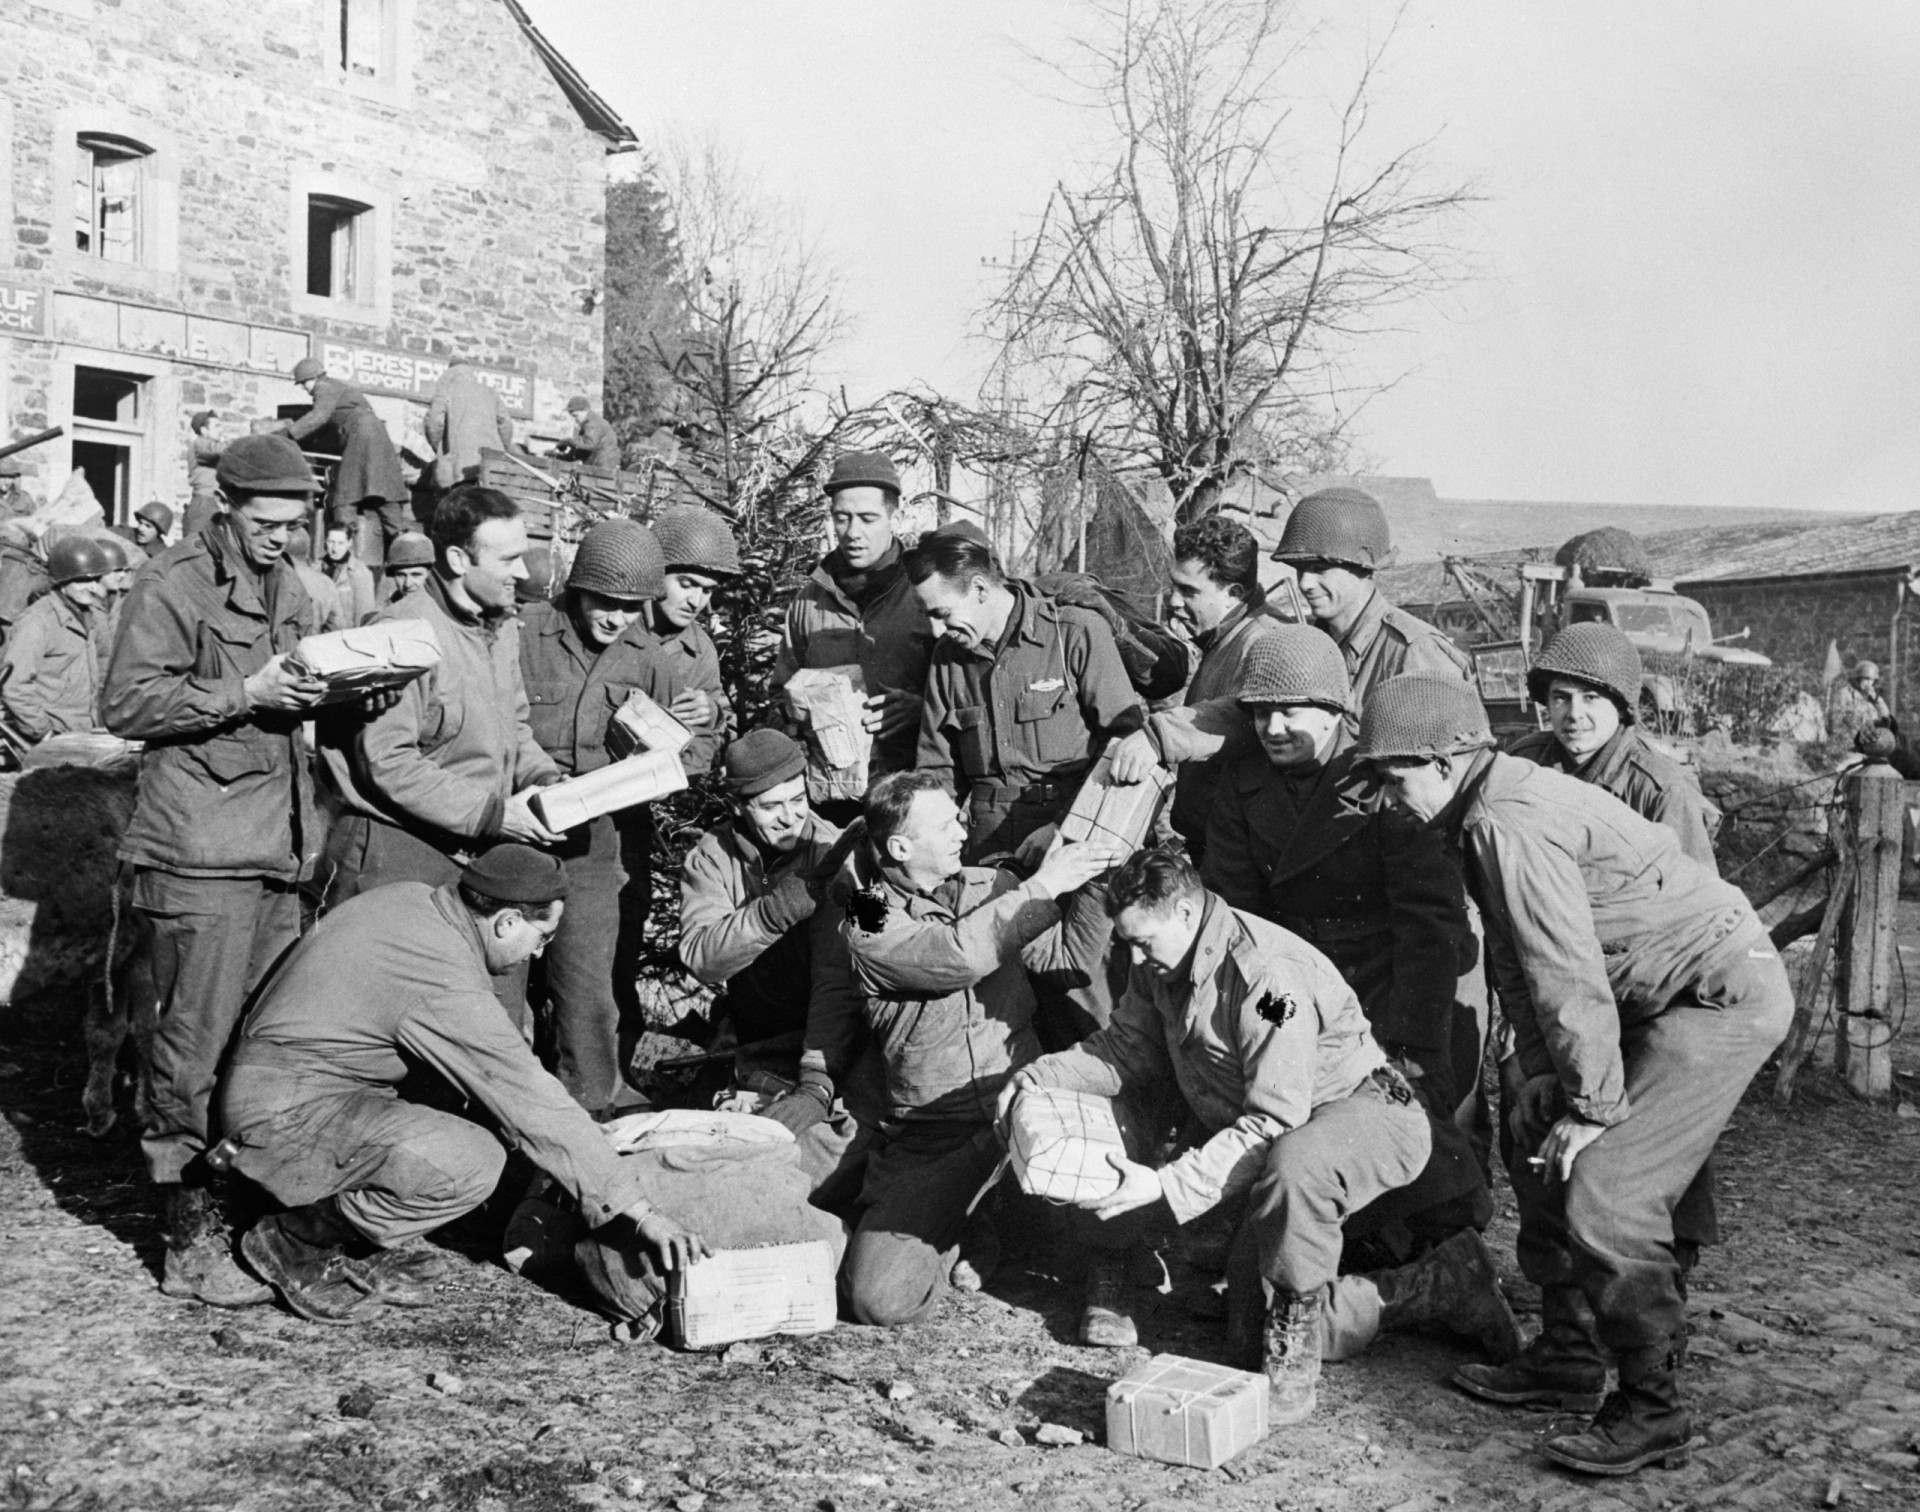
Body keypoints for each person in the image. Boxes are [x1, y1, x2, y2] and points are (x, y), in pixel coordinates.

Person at [1356, 673, 1794, 1476]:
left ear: (1447, 761)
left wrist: (1593, 1106)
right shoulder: (1478, 808)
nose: (1389, 798)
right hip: (1646, 994)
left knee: (1609, 1183)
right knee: (1535, 1135)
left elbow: (1566, 970)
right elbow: (1517, 962)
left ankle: (1653, 1408)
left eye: (1396, 777)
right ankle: (1567, 1356)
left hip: (1717, 995)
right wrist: (1538, 1074)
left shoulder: (1507, 818)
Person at [1003, 850, 1468, 1423]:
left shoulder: (1266, 979)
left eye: (1143, 942)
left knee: (1297, 1172)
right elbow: (1125, 1049)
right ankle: (1437, 1282)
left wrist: (1166, 1186)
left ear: (1185, 912)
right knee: (1248, 1335)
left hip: (1358, 1114)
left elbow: (1275, 1119)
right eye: (1127, 944)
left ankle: (1410, 1297)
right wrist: (1037, 1077)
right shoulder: (1159, 961)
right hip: (1276, 1135)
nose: (1134, 958)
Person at [218, 844, 708, 1325]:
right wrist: (639, 1211)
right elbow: (527, 1098)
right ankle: (295, 1239)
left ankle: (347, 1237)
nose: (540, 952)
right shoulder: (439, 972)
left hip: (286, 1088)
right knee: (471, 1162)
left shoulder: (415, 901)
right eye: (542, 936)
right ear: (507, 921)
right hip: (284, 1116)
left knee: (461, 1104)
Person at [100, 432, 335, 1308]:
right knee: (188, 1050)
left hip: (276, 847)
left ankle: (245, 1218)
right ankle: (187, 1241)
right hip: (197, 853)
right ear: (226, 506)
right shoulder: (172, 583)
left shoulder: (288, 584)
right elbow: (126, 704)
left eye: (293, 524)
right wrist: (247, 694)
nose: (281, 538)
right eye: (265, 522)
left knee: (258, 1046)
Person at [837, 770, 1122, 1327]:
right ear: (900, 847)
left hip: (1018, 1105)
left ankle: (1010, 1225)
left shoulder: (988, 884)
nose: (963, 833)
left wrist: (1095, 877)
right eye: (945, 826)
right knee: (879, 1299)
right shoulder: (863, 913)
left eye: (959, 819)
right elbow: (955, 957)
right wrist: (1042, 885)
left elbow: (1066, 962)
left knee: (1094, 1205)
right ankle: (973, 1221)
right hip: (935, 1132)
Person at [519, 517, 723, 1112]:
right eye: (605, 602)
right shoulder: (524, 636)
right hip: (521, 828)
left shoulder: (649, 657)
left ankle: (594, 1101)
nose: (616, 618)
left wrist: (684, 733)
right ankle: (508, 1099)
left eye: (632, 607)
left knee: (588, 982)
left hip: (598, 839)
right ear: (578, 588)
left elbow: (691, 756)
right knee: (503, 978)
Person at [319, 484, 564, 910]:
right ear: (457, 560)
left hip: (467, 846)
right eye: (508, 559)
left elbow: (515, 726)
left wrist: (544, 779)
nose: (523, 573)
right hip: (395, 852)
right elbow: (388, 761)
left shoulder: (501, 626)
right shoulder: (402, 633)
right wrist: (491, 815)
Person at [678, 730, 872, 1203]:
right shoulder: (712, 857)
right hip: (757, 1039)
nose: (791, 816)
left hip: (834, 1043)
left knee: (824, 1157)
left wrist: (817, 1083)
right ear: (740, 806)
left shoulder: (836, 854)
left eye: (798, 799)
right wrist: (774, 911)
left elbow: (843, 981)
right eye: (771, 807)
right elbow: (701, 958)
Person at [908, 530, 1145, 863]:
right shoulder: (948, 658)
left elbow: (1124, 744)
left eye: (942, 614)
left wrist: (1065, 826)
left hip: (1072, 838)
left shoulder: (1074, 632)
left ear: (979, 588)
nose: (938, 630)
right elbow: (938, 768)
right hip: (985, 841)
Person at [770, 451, 935, 825]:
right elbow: (780, 698)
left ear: (895, 517)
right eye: (842, 518)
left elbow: (963, 692)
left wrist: (921, 708)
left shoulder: (924, 593)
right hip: (830, 801)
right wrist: (796, 720)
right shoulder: (808, 602)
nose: (852, 532)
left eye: (868, 518)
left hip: (908, 798)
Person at [1509, 624, 1719, 868]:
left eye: (1590, 698)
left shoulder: (1662, 791)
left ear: (1620, 707)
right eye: (1561, 698)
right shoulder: (1524, 763)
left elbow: (1693, 887)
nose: (1574, 714)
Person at [1269, 487, 1471, 733]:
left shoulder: (1415, 651)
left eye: (1319, 568)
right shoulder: (1315, 645)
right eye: (1299, 569)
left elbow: (1447, 750)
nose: (1304, 583)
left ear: (1362, 567)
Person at [1157, 515, 1283, 856]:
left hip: (1240, 854)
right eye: (1174, 587)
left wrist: (1158, 737)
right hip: (1213, 844)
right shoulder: (1224, 636)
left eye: (1189, 591)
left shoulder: (1264, 640)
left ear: (1233, 594)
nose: (1173, 601)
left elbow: (1244, 716)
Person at [282, 357, 411, 561]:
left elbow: (318, 417)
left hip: (361, 437)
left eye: (304, 383)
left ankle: (342, 553)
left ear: (313, 378)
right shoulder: (338, 388)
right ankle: (407, 550)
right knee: (385, 496)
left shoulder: (324, 387)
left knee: (344, 496)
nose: (304, 388)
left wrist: (288, 434)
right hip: (377, 439)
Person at [0, 535, 113, 740]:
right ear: (62, 580)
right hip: (54, 737)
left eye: (96, 579)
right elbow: (14, 686)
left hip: (87, 732)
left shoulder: (92, 615)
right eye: (83, 580)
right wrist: (44, 732)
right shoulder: (37, 621)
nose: (93, 587)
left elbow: (103, 667)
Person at [424, 356, 515, 492]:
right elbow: (506, 424)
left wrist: (438, 447)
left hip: (460, 465)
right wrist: (502, 450)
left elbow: (435, 423)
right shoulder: (489, 392)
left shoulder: (446, 391)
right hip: (492, 465)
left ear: (449, 372)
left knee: (462, 501)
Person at [284, 526, 345, 634]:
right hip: (316, 642)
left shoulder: (279, 581)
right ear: (307, 551)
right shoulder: (326, 583)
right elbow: (336, 628)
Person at [321, 513, 378, 627]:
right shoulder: (316, 569)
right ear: (325, 541)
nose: (335, 549)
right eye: (331, 542)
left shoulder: (360, 573)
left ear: (349, 543)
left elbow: (364, 617)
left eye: (340, 543)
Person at [1828, 659, 1894, 750]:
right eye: (1866, 679)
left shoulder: (1872, 698)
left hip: (1869, 745)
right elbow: (1836, 722)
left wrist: (1877, 699)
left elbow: (1886, 717)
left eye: (1872, 680)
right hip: (1849, 745)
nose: (1869, 683)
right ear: (1858, 678)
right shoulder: (1845, 694)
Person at [556, 396, 621, 471]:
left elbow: (589, 444)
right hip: (597, 462)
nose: (575, 420)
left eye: (576, 416)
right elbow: (582, 451)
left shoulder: (593, 422)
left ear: (585, 410)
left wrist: (568, 441)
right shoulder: (587, 424)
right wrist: (563, 457)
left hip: (604, 463)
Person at [185, 411, 223, 536]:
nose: (221, 430)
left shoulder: (207, 446)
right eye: (216, 426)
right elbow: (218, 449)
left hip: (212, 502)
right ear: (203, 430)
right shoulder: (200, 443)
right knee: (195, 543)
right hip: (204, 502)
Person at [383, 531, 434, 603]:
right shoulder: (386, 609)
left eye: (415, 575)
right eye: (401, 575)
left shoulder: (440, 606)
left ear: (428, 573)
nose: (407, 584)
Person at [0, 456, 35, 520]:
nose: (7, 482)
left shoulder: (24, 498)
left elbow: (35, 521)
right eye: (3, 477)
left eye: (10, 477)